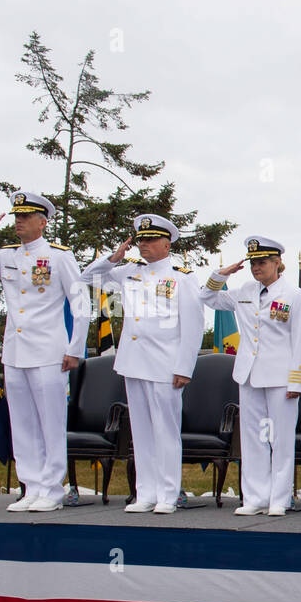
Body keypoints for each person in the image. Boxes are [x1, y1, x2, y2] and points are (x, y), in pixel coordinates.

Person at [0, 191, 91, 512]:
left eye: (26, 217)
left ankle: (53, 490)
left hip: (49, 352)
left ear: (43, 222)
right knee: (23, 423)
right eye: (17, 216)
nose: (19, 222)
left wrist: (75, 348)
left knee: (50, 423)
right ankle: (30, 485)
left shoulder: (59, 256)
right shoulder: (5, 256)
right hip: (15, 353)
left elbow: (81, 304)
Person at [81, 214, 203, 514]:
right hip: (133, 362)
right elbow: (87, 278)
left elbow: (193, 325)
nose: (144, 245)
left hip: (165, 365)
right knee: (141, 431)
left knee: (165, 430)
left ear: (166, 243)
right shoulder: (128, 271)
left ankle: (167, 494)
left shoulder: (181, 277)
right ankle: (145, 493)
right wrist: (112, 259)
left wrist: (184, 367)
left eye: (150, 240)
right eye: (141, 240)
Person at [201, 237, 301, 517]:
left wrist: (297, 381)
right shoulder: (244, 290)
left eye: (262, 262)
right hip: (249, 375)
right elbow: (207, 298)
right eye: (252, 263)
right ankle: (255, 497)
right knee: (253, 438)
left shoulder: (293, 294)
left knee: (280, 439)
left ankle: (279, 498)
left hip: (280, 377)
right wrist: (220, 275)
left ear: (277, 263)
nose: (256, 268)